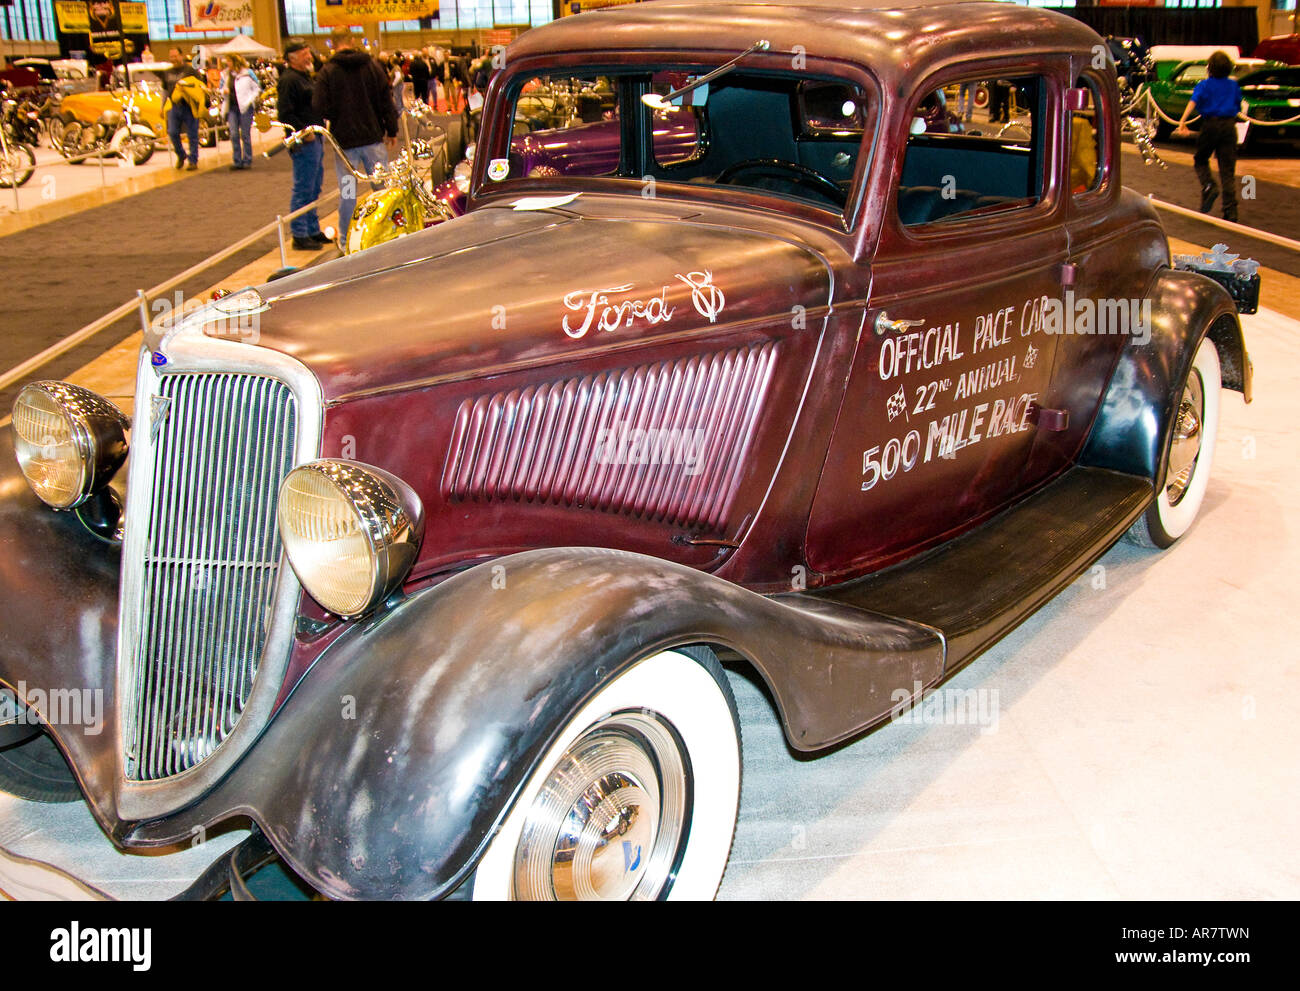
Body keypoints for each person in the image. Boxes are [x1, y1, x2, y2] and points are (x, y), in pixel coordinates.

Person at [313, 27, 399, 240]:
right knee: (382, 189)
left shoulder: (327, 71)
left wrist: (336, 115)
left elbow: (319, 106)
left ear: (332, 44)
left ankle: (345, 239)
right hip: (372, 138)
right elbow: (385, 100)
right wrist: (392, 129)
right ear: (352, 41)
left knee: (348, 191)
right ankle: (389, 231)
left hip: (345, 142)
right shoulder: (372, 65)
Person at [1174, 50, 1244, 223]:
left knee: (1201, 159)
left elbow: (1193, 102)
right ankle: (1231, 211)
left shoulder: (1204, 85)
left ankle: (1209, 185)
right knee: (1227, 169)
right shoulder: (1233, 85)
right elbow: (1238, 106)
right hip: (1229, 126)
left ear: (1210, 68)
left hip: (1210, 126)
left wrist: (1182, 121)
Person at [278, 39, 329, 251]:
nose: (310, 57)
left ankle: (312, 228)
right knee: (303, 187)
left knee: (314, 186)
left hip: (315, 136)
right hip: (304, 141)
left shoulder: (303, 77)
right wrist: (301, 131)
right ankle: (300, 233)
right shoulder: (289, 80)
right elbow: (285, 113)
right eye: (305, 54)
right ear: (293, 58)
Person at [162, 47, 205, 170]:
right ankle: (181, 155)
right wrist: (162, 107)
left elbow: (201, 86)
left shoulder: (190, 70)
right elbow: (164, 91)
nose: (173, 59)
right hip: (174, 107)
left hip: (189, 106)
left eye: (175, 56)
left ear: (181, 56)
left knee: (192, 134)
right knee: (172, 132)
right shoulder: (167, 72)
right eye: (171, 57)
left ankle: (193, 160)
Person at [221, 53, 260, 170]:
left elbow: (257, 88)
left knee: (245, 134)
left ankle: (247, 159)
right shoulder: (225, 75)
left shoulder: (248, 74)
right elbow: (220, 88)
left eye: (229, 61)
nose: (227, 64)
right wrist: (224, 91)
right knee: (233, 134)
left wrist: (250, 100)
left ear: (235, 62)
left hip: (245, 108)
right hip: (232, 107)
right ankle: (237, 160)